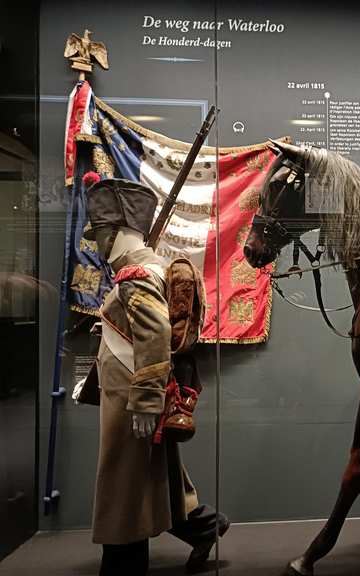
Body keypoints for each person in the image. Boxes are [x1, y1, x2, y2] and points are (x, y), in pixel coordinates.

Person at [83, 175, 228, 575]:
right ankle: (204, 527)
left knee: (124, 488)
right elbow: (138, 330)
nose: (97, 244)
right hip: (132, 395)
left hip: (132, 401)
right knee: (149, 477)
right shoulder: (147, 269)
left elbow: (157, 332)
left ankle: (122, 565)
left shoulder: (136, 277)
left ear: (115, 234)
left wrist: (146, 401)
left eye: (100, 234)